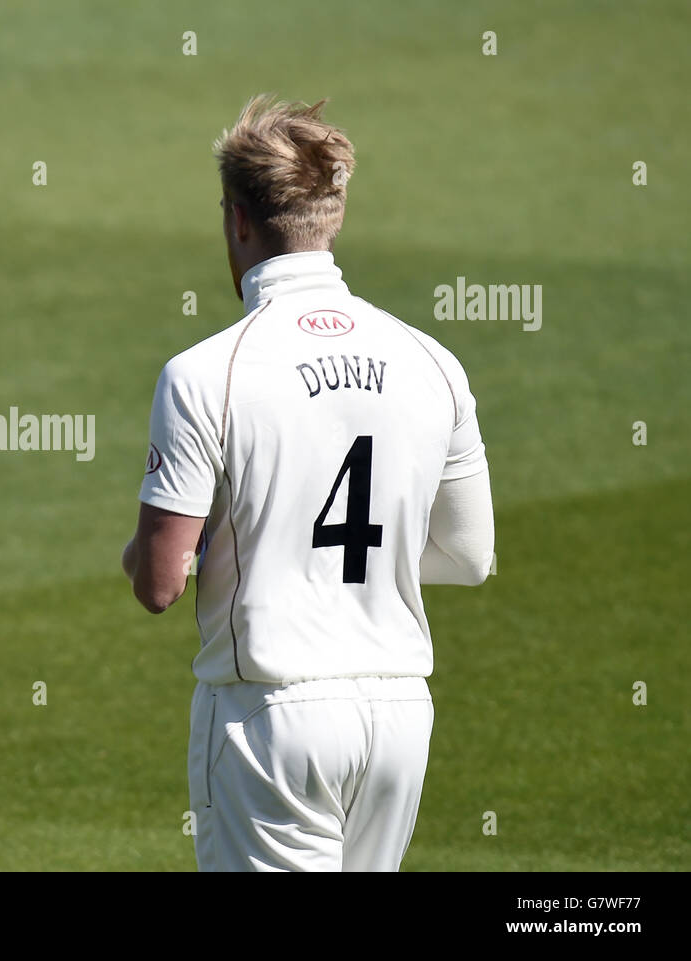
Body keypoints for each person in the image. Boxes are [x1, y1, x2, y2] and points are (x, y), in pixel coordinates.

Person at [121, 94, 494, 872]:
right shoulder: (432, 361)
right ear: (335, 214)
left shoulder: (203, 374)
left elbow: (159, 582)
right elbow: (468, 557)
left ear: (236, 218)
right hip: (398, 716)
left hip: (270, 720)